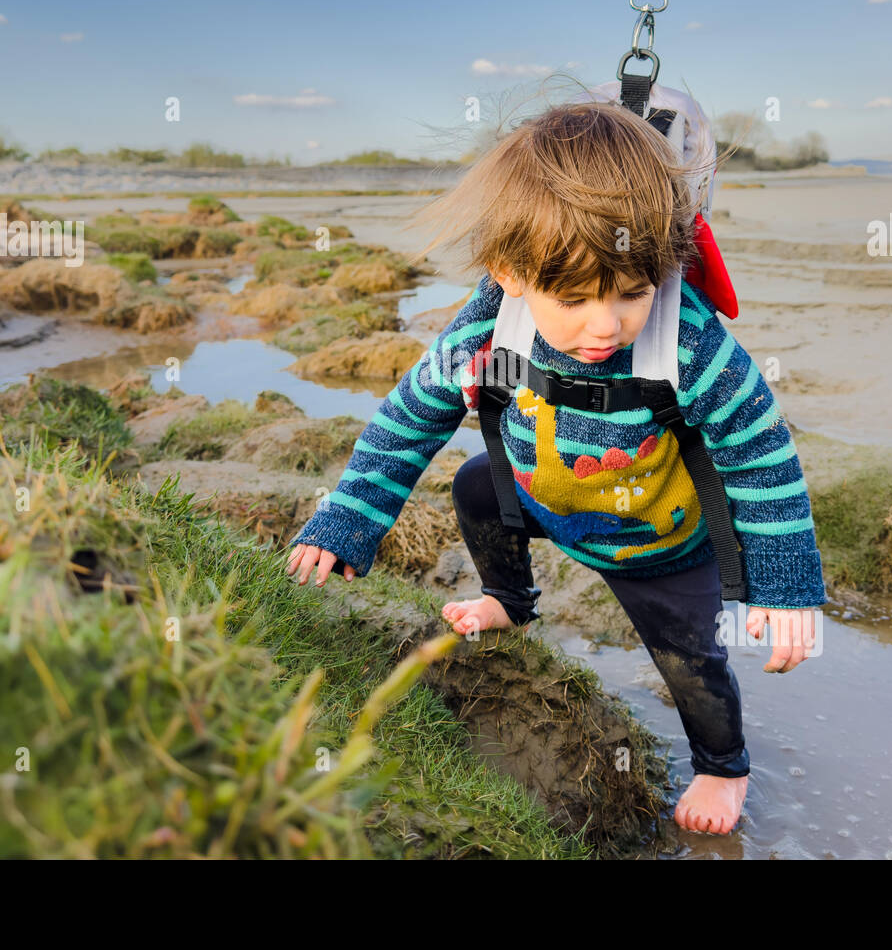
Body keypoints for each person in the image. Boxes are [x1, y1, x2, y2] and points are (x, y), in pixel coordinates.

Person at [286, 96, 825, 836]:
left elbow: (761, 454)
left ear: (666, 263)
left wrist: (785, 587)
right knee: (475, 487)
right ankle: (510, 596)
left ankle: (722, 766)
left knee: (691, 660)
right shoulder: (494, 324)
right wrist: (350, 516)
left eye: (632, 293)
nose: (604, 325)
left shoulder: (685, 343)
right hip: (545, 498)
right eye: (572, 299)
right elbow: (413, 412)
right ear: (511, 272)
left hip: (653, 541)